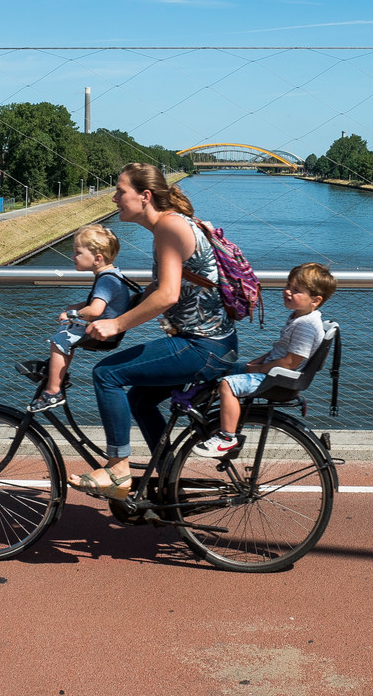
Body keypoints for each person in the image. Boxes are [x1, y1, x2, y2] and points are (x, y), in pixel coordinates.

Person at [70, 163, 238, 498]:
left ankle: (117, 470)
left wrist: (117, 324)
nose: (114, 197)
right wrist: (116, 313)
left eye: (120, 191)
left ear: (145, 196)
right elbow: (156, 288)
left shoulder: (169, 227)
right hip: (207, 342)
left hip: (201, 346)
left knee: (106, 374)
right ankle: (170, 479)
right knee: (141, 400)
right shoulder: (168, 225)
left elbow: (168, 295)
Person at [192, 262, 337, 456]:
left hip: (279, 378)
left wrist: (259, 369)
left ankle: (227, 437)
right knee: (228, 368)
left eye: (296, 290)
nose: (287, 292)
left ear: (315, 300)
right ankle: (208, 412)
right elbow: (279, 350)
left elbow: (291, 362)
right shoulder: (300, 317)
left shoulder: (306, 326)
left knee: (228, 384)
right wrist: (256, 363)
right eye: (288, 286)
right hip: (275, 372)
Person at [26, 224, 133, 413]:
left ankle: (53, 392)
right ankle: (58, 372)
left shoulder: (106, 279)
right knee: (65, 333)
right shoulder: (111, 274)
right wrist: (75, 307)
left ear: (97, 259)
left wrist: (72, 314)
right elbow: (99, 301)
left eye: (77, 253)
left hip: (101, 331)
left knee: (59, 340)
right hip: (104, 325)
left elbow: (96, 310)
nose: (73, 257)